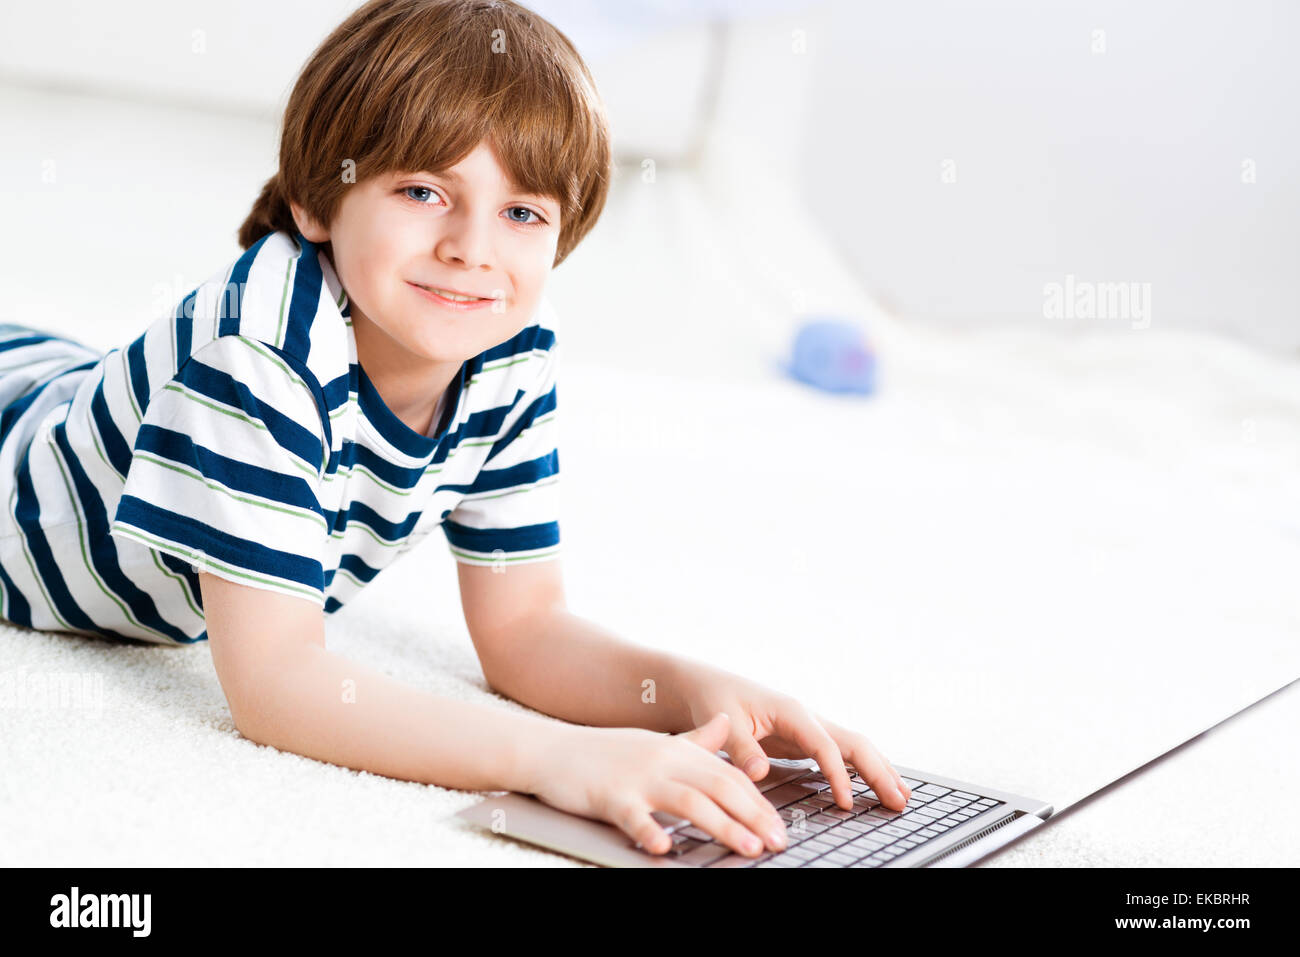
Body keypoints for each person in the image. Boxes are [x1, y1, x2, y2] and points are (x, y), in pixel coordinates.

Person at [0, 0, 909, 860]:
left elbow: (524, 630)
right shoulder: (261, 358)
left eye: (521, 212)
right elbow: (275, 684)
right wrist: (555, 758)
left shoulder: (509, 350)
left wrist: (684, 693)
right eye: (425, 191)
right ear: (317, 203)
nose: (472, 248)